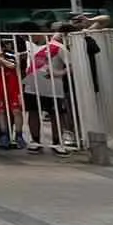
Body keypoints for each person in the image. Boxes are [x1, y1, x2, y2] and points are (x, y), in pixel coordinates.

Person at [23, 25, 74, 155]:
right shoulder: (28, 47)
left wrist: (58, 73)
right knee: (33, 113)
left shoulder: (57, 47)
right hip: (32, 86)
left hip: (53, 88)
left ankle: (57, 143)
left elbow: (72, 66)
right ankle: (35, 141)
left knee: (55, 115)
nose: (31, 37)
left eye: (33, 34)